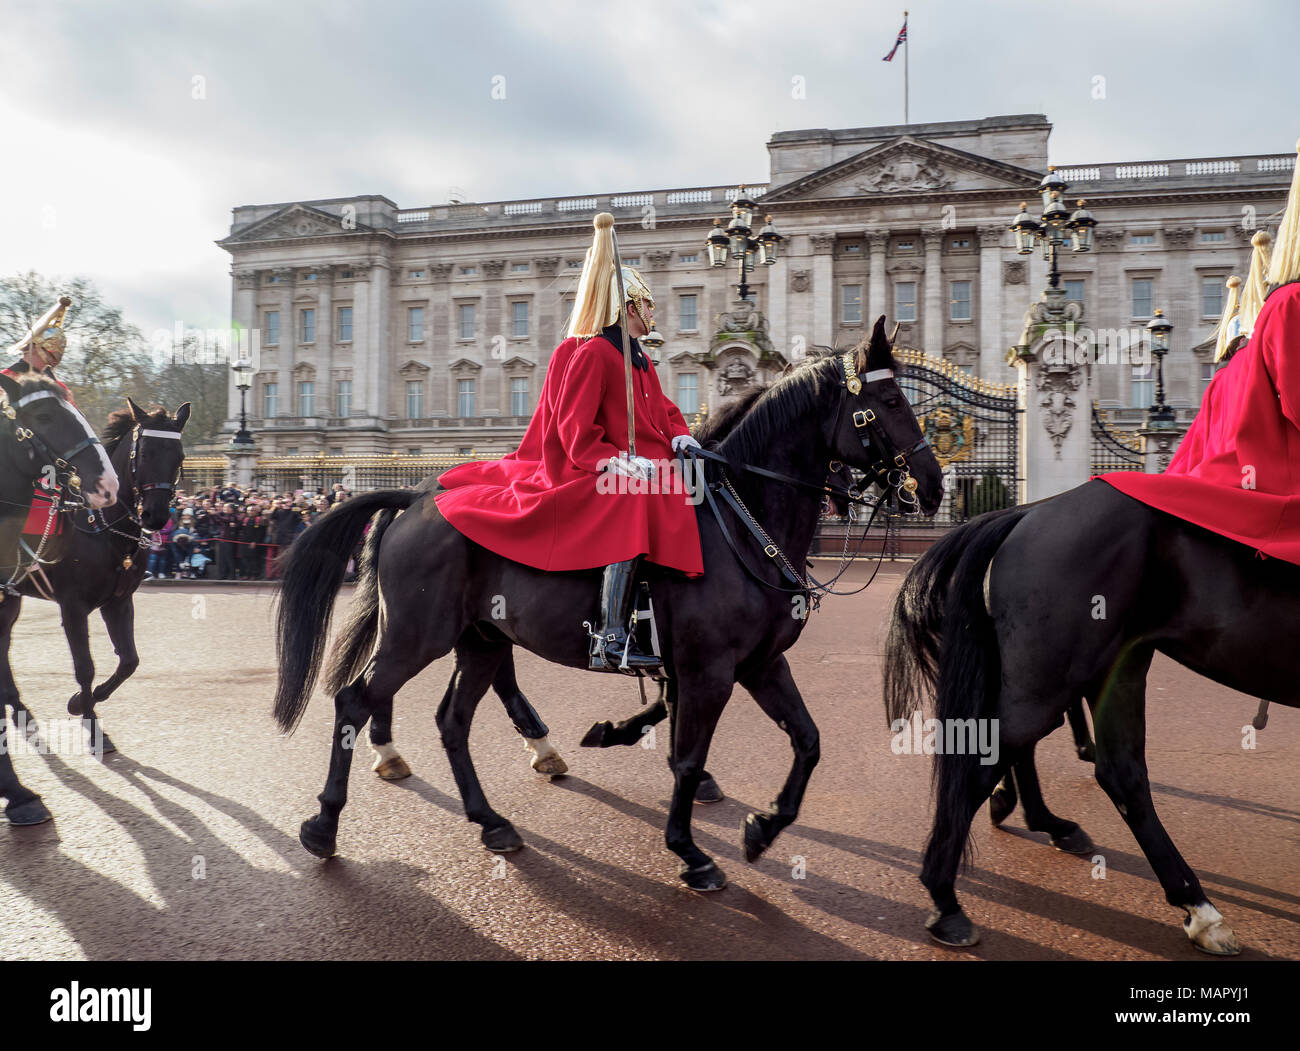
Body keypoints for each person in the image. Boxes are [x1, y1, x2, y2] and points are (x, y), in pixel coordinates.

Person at [436, 212, 703, 672]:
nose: (653, 313)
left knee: (696, 487)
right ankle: (611, 634)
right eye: (647, 304)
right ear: (630, 306)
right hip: (592, 468)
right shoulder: (595, 354)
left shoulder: (639, 360)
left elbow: (665, 412)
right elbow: (574, 433)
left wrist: (682, 439)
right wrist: (615, 463)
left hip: (648, 462)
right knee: (634, 500)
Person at [1099, 139, 1300, 564]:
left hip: (1233, 474)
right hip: (1269, 481)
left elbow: (1198, 447)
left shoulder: (1231, 368)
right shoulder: (1290, 305)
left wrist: (1179, 484)